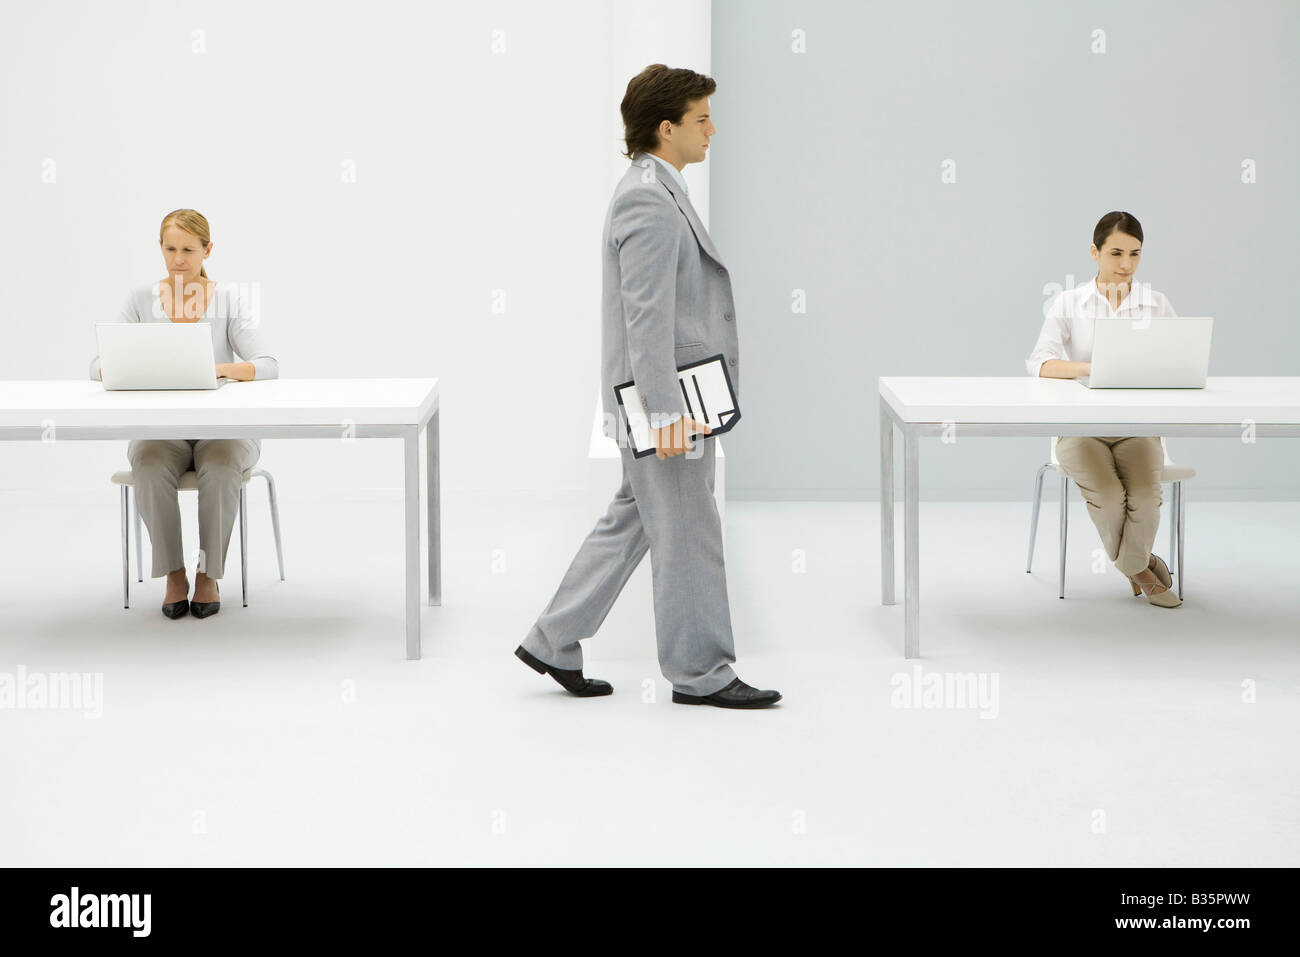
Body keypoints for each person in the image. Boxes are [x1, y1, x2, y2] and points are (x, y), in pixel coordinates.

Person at [514, 65, 781, 708]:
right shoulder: (646, 197)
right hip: (666, 403)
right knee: (690, 530)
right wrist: (664, 414)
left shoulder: (657, 186)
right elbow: (646, 319)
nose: (712, 129)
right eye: (701, 118)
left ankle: (554, 639)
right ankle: (703, 674)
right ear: (667, 128)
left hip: (664, 398)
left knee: (633, 519)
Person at [89, 209, 279, 619]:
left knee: (224, 464)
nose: (178, 259)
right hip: (164, 430)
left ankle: (208, 575)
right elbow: (95, 366)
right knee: (149, 460)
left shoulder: (228, 298)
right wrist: (122, 366)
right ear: (160, 248)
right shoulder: (140, 299)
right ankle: (174, 574)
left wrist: (220, 369)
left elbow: (267, 363)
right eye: (170, 248)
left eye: (189, 250)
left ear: (207, 249)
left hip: (222, 430)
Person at [1026, 211, 1180, 608]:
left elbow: (1177, 364)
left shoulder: (1156, 304)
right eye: (1115, 253)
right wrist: (1092, 369)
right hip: (1081, 430)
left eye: (1135, 254)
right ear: (1094, 252)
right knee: (1110, 497)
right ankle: (1144, 571)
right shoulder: (1069, 302)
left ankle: (1135, 566)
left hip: (1137, 428)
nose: (1126, 265)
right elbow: (1040, 363)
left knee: (1145, 498)